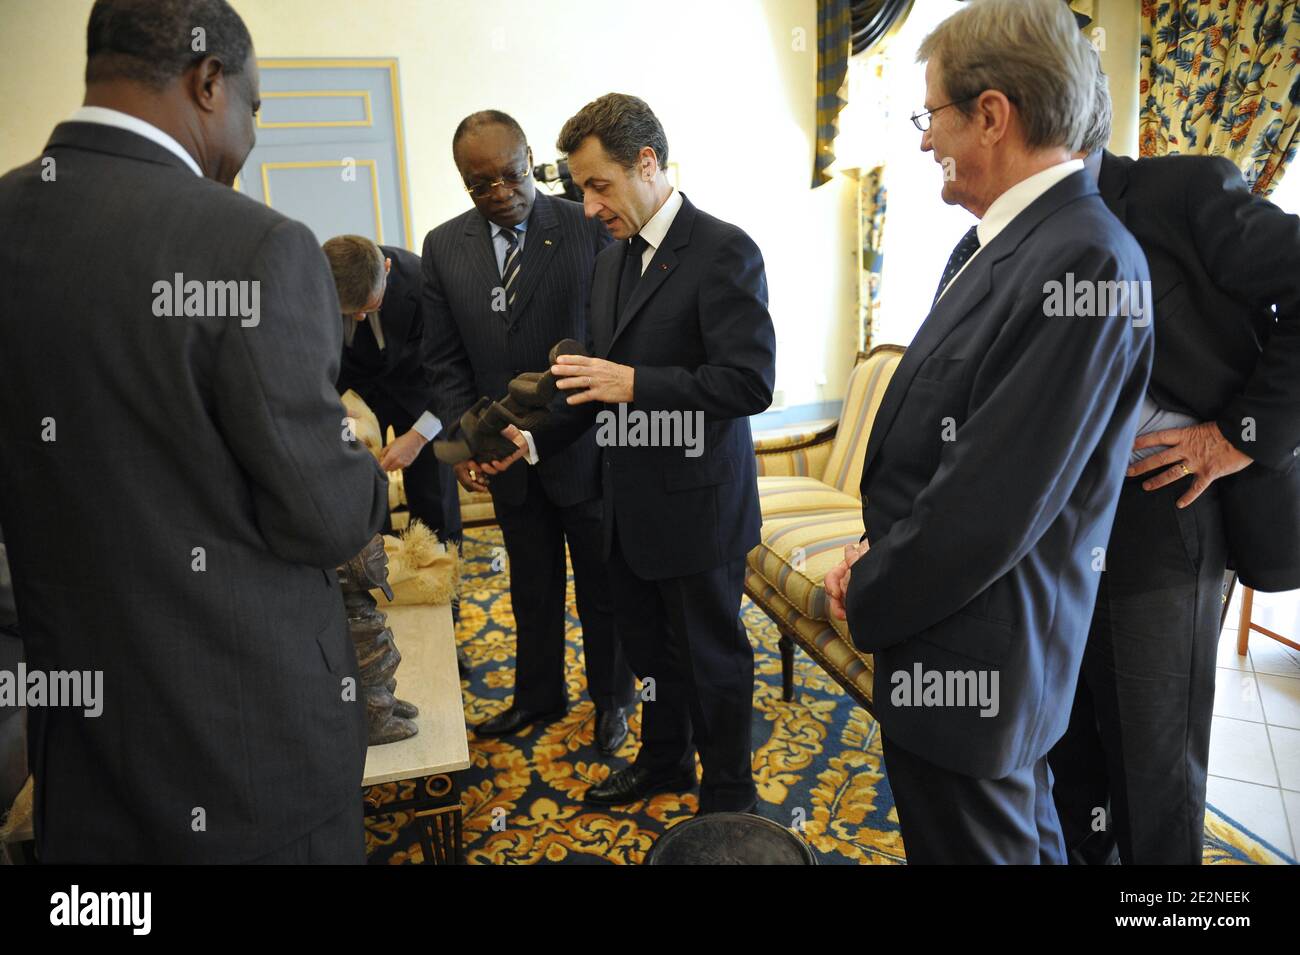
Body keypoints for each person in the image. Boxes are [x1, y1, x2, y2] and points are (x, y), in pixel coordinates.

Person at [0, 0, 387, 863]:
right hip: (251, 756)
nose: (252, 132)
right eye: (255, 106)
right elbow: (324, 516)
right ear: (209, 80)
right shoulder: (254, 248)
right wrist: (361, 459)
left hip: (79, 754)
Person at [822, 0, 1153, 863]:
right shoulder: (998, 244)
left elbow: (989, 505)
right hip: (950, 636)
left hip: (977, 659)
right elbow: (948, 449)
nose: (925, 139)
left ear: (993, 114)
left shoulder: (1087, 260)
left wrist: (869, 592)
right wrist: (878, 548)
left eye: (931, 115)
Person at [490, 93, 777, 814]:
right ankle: (664, 759)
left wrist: (635, 382)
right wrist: (530, 438)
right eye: (580, 189)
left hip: (700, 508)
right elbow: (595, 388)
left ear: (646, 164)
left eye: (597, 186)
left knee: (712, 660)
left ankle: (729, 797)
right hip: (626, 506)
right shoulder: (611, 262)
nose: (587, 208)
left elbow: (750, 382)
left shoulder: (725, 249)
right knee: (650, 654)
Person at [1050, 66, 1300, 865]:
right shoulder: (1014, 233)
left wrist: (1238, 435)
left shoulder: (1183, 191)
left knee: (1152, 759)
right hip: (1058, 517)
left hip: (1162, 508)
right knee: (1073, 738)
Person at [421, 111, 635, 752]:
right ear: (464, 182)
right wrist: (464, 446)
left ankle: (613, 702)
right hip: (503, 459)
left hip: (582, 447)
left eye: (511, 176)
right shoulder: (443, 245)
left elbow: (609, 339)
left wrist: (558, 425)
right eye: (480, 185)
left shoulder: (582, 225)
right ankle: (538, 695)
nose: (500, 193)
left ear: (530, 160)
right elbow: (444, 359)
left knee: (602, 590)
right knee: (530, 585)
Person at [324, 235, 462, 548]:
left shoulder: (423, 279)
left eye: (369, 307)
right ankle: (377, 586)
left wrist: (417, 437)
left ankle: (443, 590)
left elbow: (453, 367)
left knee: (435, 503)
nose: (359, 317)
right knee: (364, 506)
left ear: (387, 268)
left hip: (420, 391)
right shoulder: (310, 284)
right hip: (351, 398)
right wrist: (330, 412)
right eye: (351, 311)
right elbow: (307, 359)